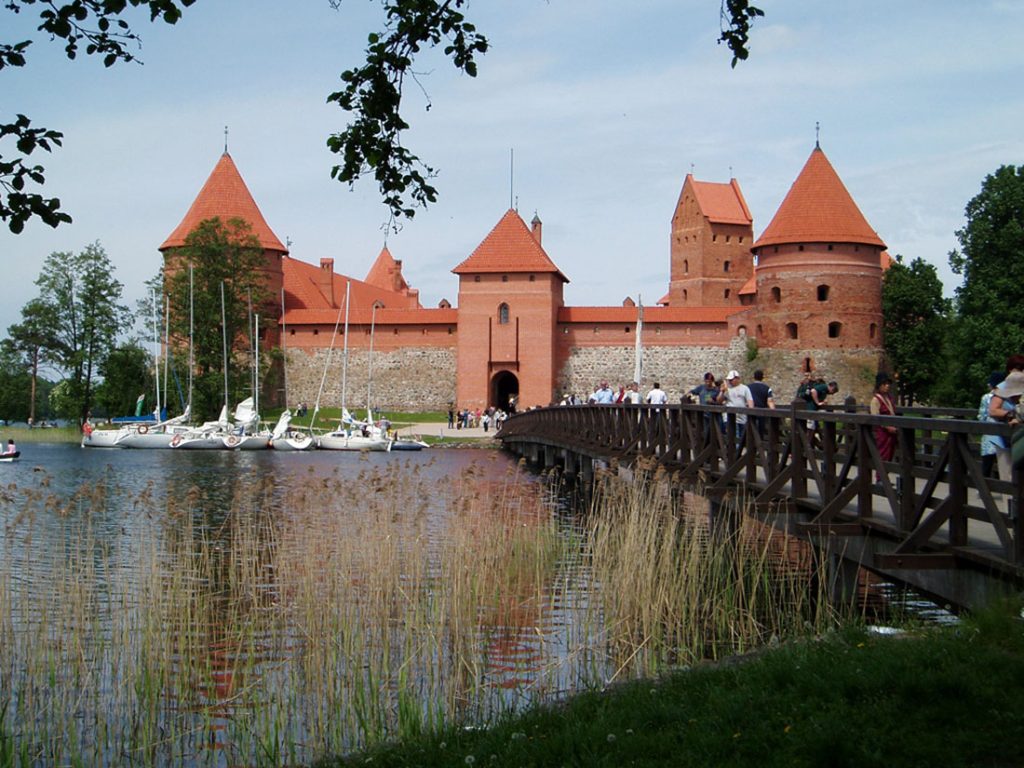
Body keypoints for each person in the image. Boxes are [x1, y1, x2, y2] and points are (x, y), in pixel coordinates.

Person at [988, 369, 1024, 481]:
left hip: (1017, 440)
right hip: (1008, 440)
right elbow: (992, 411)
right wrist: (1013, 416)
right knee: (1010, 475)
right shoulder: (1007, 398)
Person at [870, 372, 898, 479]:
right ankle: (879, 478)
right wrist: (887, 427)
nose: (887, 386)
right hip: (882, 432)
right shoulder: (876, 400)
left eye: (888, 384)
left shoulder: (889, 398)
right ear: (879, 385)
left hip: (891, 431)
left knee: (890, 454)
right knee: (883, 454)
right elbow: (875, 417)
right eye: (884, 384)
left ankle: (884, 477)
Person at [716, 370, 754, 446]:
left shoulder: (745, 388)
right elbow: (719, 401)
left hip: (742, 417)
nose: (730, 381)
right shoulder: (727, 389)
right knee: (734, 438)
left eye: (731, 380)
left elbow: (750, 401)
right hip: (730, 417)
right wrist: (722, 391)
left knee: (741, 438)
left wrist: (751, 412)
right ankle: (735, 456)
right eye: (729, 380)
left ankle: (734, 455)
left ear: (737, 378)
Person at [978, 371, 1005, 479]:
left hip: (990, 430)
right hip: (1004, 432)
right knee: (1004, 462)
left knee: (987, 462)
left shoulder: (986, 397)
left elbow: (982, 416)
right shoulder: (1008, 396)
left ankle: (984, 488)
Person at [747, 369, 776, 437]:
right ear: (762, 378)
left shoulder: (748, 387)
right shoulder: (767, 388)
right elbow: (770, 401)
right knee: (761, 431)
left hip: (750, 411)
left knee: (750, 431)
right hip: (762, 412)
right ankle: (760, 444)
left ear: (754, 377)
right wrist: (774, 412)